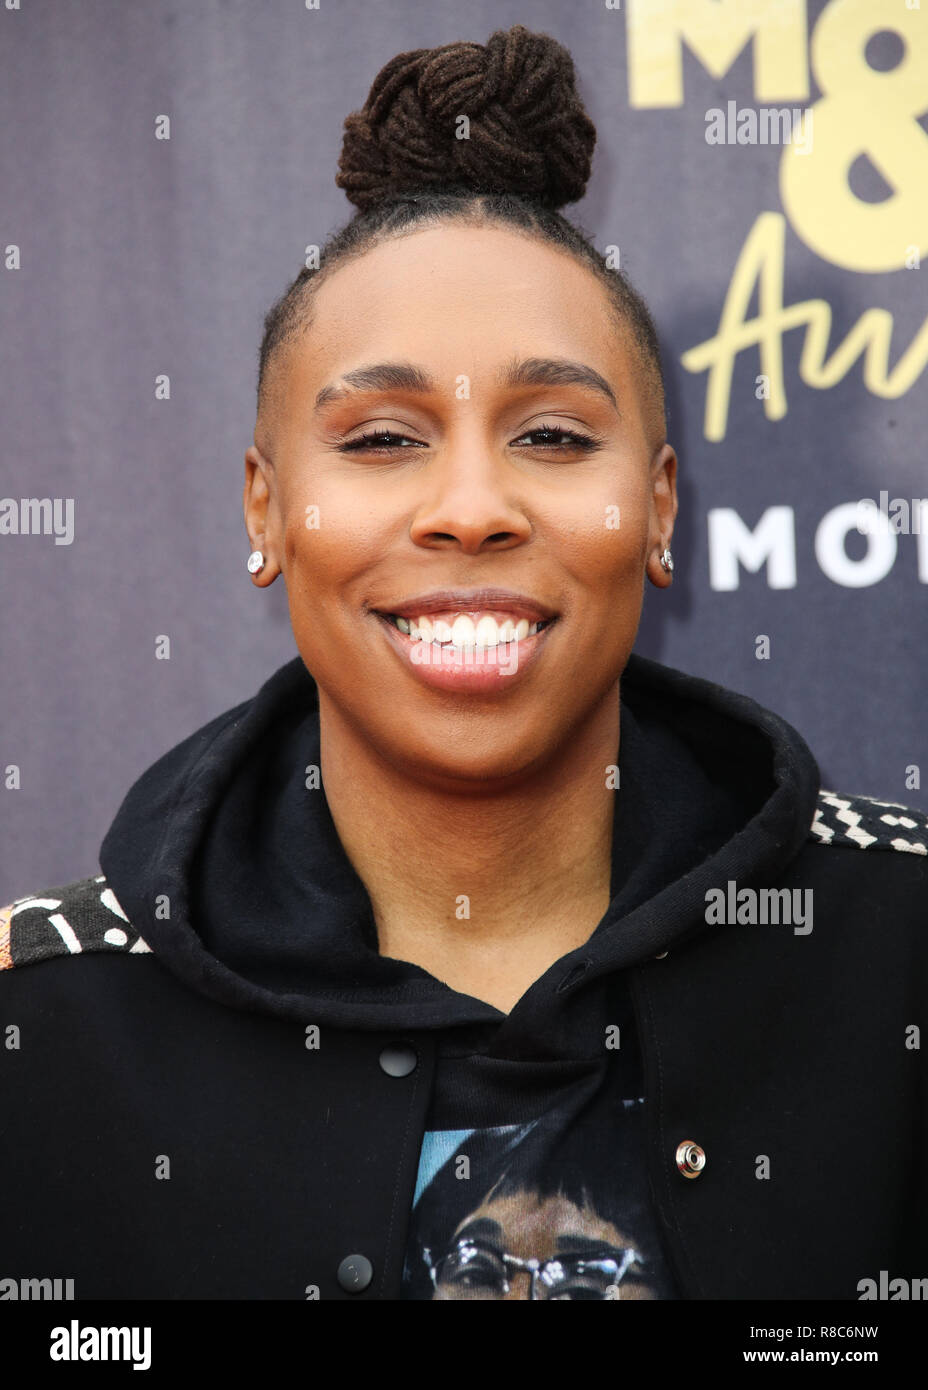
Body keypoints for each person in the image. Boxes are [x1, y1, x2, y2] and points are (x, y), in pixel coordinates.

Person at [2, 23, 925, 1303]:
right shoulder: (49, 1031)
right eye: (382, 439)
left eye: (551, 433)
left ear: (660, 511)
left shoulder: (895, 958)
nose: (472, 506)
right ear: (263, 513)